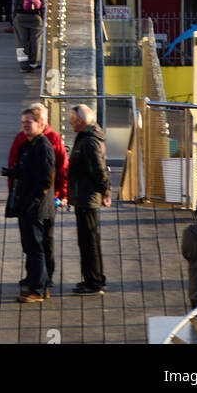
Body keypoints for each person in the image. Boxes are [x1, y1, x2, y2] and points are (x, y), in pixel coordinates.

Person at [7, 102, 68, 296]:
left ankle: (40, 286)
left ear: (41, 123)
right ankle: (34, 279)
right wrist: (14, 173)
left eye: (30, 122)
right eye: (23, 122)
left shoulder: (44, 145)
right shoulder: (27, 143)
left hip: (37, 205)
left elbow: (48, 176)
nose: (25, 125)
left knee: (38, 245)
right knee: (31, 245)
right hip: (27, 202)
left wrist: (58, 195)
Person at [67, 104, 111, 295]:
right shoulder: (86, 138)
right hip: (84, 195)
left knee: (89, 240)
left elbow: (97, 170)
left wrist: (106, 192)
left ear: (81, 122)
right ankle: (92, 279)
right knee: (87, 240)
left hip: (87, 197)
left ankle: (94, 282)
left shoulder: (89, 142)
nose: (70, 123)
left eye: (72, 120)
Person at [11, 0, 46, 72]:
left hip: (21, 17)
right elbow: (44, 3)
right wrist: (44, 18)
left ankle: (23, 65)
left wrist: (13, 17)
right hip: (36, 17)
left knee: (21, 42)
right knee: (36, 41)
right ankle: (34, 62)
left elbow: (14, 2)